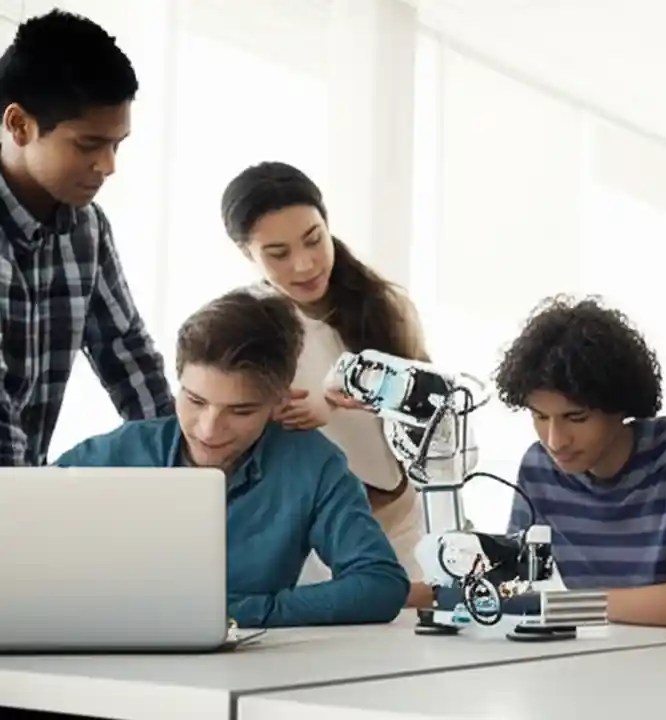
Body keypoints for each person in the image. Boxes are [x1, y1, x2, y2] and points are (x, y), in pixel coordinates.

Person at [55, 290, 409, 628]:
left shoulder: (313, 466)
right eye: (194, 400)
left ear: (279, 402)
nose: (209, 430)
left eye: (240, 411)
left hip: (241, 670)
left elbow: (380, 584)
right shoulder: (118, 453)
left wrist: (244, 612)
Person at [220, 161, 468, 608]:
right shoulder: (245, 324)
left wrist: (343, 397)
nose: (304, 263)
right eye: (277, 253)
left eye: (314, 239)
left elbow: (439, 401)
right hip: (311, 539)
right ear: (246, 253)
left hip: (401, 521)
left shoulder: (383, 305)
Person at [495, 296, 666, 628]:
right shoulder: (538, 467)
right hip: (589, 658)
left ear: (619, 406)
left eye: (576, 417)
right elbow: (513, 589)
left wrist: (556, 605)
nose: (555, 440)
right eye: (540, 416)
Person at [0, 9, 172, 467]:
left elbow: (129, 358)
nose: (109, 165)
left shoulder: (87, 229)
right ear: (19, 125)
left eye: (118, 144)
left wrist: (189, 474)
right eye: (88, 144)